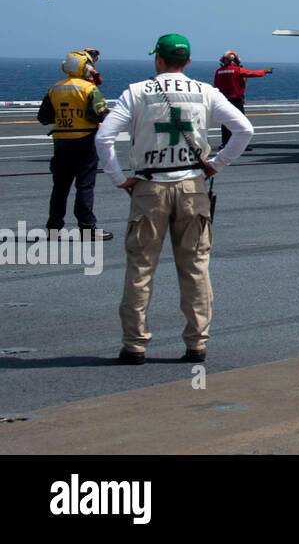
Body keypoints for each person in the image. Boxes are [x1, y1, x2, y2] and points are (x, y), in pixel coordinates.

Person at [95, 33, 253, 364]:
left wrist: (119, 179)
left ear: (158, 59)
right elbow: (244, 130)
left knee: (140, 268)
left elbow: (104, 138)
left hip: (149, 187)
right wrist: (217, 164)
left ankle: (134, 346)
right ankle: (197, 344)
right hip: (193, 187)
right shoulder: (205, 92)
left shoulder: (136, 93)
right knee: (196, 267)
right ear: (189, 62)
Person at [37, 51, 113, 240]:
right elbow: (100, 114)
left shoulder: (54, 89)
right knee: (85, 185)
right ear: (84, 67)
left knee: (60, 187)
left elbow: (44, 118)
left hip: (61, 143)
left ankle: (54, 229)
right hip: (85, 141)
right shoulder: (88, 89)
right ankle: (87, 228)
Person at [213, 51, 272, 149]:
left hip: (224, 101)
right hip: (236, 100)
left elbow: (215, 86)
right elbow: (253, 73)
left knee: (225, 122)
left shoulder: (218, 71)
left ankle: (224, 143)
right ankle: (242, 145)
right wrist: (265, 71)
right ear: (234, 59)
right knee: (242, 123)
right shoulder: (238, 70)